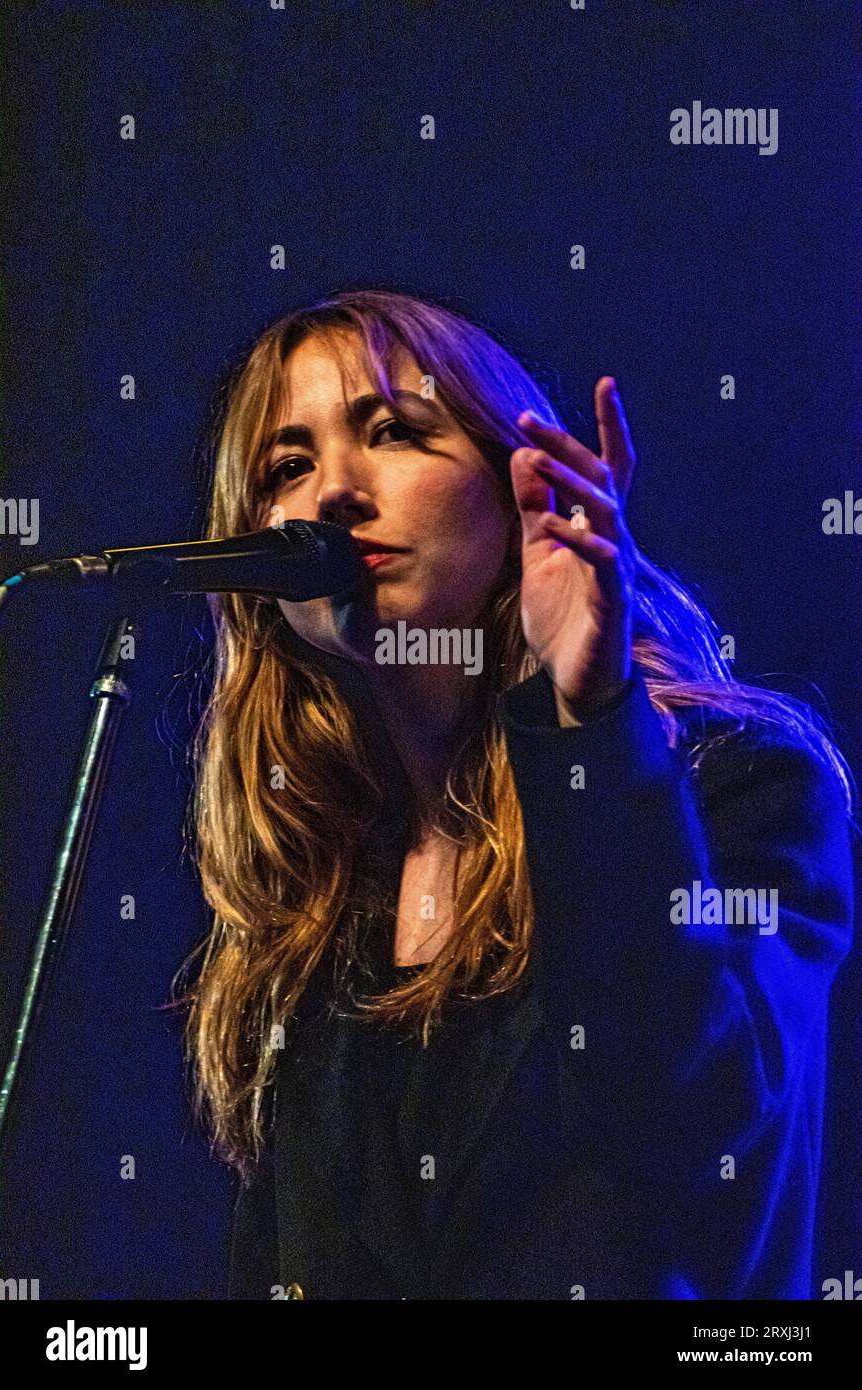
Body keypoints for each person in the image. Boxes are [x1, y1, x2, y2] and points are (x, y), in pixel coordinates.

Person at [176, 287, 855, 1300]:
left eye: (392, 431)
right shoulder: (317, 896)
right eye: (288, 467)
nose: (333, 493)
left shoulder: (736, 782)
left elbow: (700, 1137)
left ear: (517, 482)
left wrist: (592, 723)